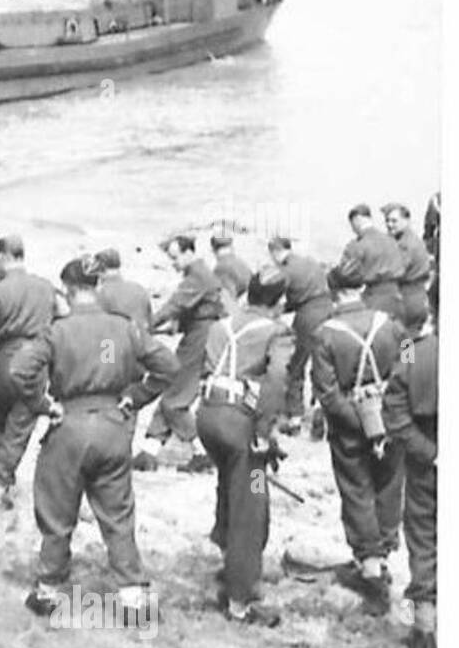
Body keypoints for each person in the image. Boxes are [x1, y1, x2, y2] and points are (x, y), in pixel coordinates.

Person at [12, 257, 177, 623]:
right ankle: (134, 599)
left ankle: (49, 591)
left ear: (67, 292)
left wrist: (42, 404)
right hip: (113, 425)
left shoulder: (57, 331)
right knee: (118, 514)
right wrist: (136, 396)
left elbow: (19, 370)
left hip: (68, 423)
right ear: (99, 286)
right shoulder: (124, 328)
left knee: (56, 510)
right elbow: (168, 366)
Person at [196, 267, 293, 627]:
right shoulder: (277, 331)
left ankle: (227, 557)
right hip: (241, 426)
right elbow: (278, 381)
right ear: (280, 302)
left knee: (228, 487)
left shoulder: (221, 325)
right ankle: (241, 600)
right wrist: (266, 432)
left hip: (209, 416)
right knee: (251, 506)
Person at [310, 261, 406, 611]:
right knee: (389, 485)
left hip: (349, 427)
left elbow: (327, 392)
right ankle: (385, 553)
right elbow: (407, 363)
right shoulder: (392, 327)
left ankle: (369, 568)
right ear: (362, 289)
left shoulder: (325, 335)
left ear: (334, 294)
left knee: (357, 490)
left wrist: (359, 422)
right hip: (392, 418)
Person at [0, 235, 55, 508]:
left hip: (2, 360)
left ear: (3, 257)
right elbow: (64, 322)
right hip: (34, 361)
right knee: (19, 425)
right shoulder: (45, 287)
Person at [382, 277, 438, 648]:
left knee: (423, 540)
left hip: (427, 460)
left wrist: (429, 452)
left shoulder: (412, 352)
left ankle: (425, 625)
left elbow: (394, 412)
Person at [135, 234, 224, 472]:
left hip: (200, 338)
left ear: (188, 253)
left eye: (175, 258)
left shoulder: (197, 276)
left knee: (176, 397)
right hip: (198, 333)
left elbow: (175, 304)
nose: (172, 263)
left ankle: (203, 452)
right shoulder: (198, 273)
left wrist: (148, 325)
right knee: (173, 388)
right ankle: (151, 450)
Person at [268, 236, 333, 434]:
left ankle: (295, 417)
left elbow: (279, 299)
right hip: (328, 310)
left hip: (307, 316)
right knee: (324, 362)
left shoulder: (285, 271)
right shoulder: (310, 261)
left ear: (275, 252)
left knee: (296, 364)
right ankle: (321, 407)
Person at [336, 203, 404, 321]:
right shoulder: (392, 241)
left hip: (373, 301)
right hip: (397, 299)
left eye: (352, 225)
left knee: (372, 336)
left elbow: (345, 275)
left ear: (356, 220)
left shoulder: (357, 245)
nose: (352, 229)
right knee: (401, 337)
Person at [381, 203, 432, 334]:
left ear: (406, 221)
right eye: (387, 220)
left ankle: (407, 355)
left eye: (394, 221)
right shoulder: (408, 239)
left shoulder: (405, 244)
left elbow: (394, 271)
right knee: (408, 341)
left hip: (408, 299)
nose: (389, 224)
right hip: (414, 297)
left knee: (405, 341)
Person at [94, 247, 151, 330]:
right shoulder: (139, 289)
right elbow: (150, 322)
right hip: (141, 339)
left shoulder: (101, 294)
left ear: (101, 270)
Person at [209, 232, 253, 313]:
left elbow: (228, 300)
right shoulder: (240, 262)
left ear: (213, 250)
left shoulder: (221, 268)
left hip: (240, 311)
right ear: (231, 247)